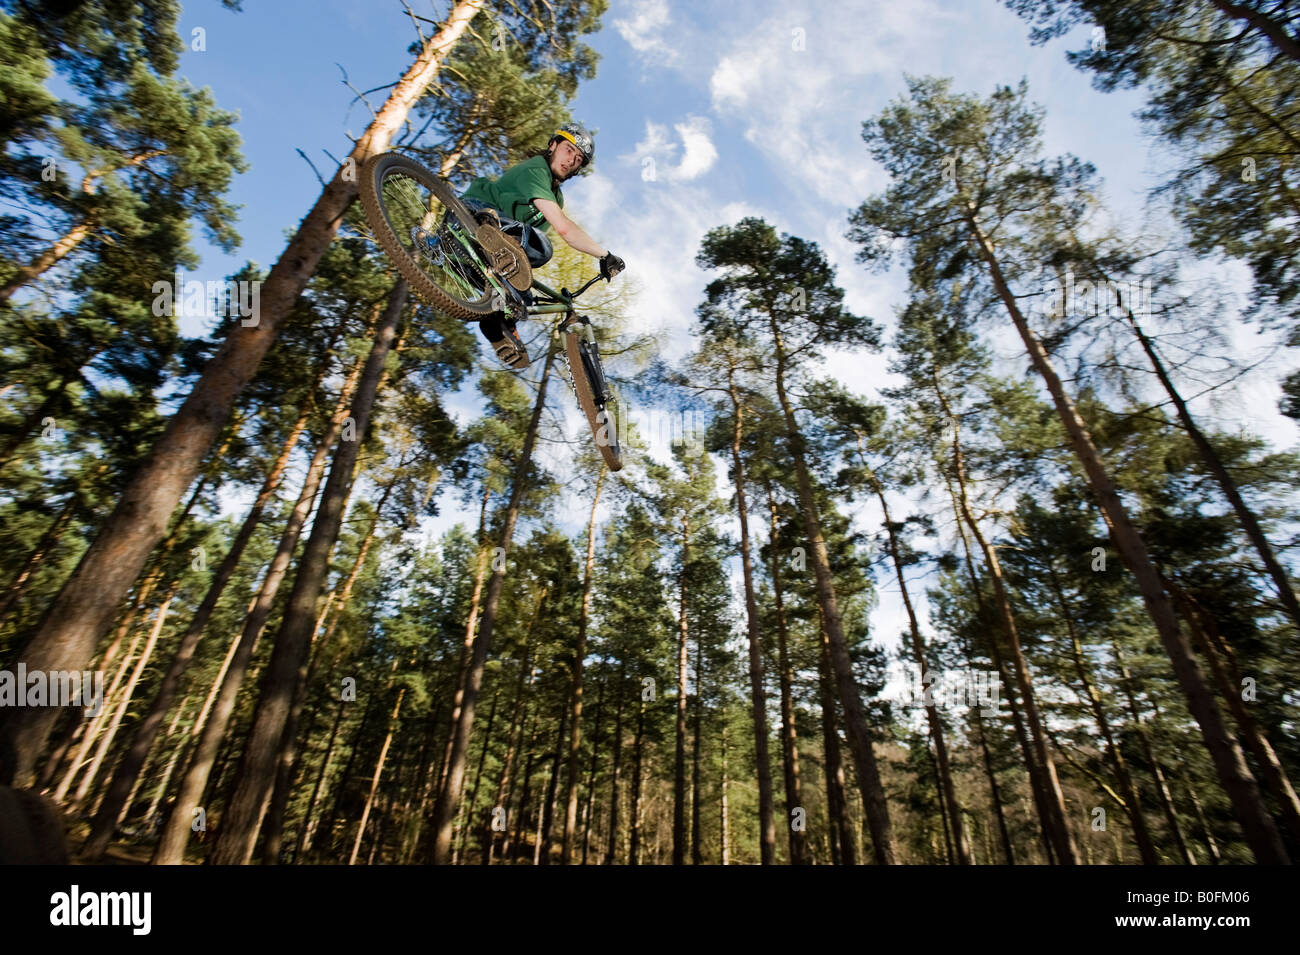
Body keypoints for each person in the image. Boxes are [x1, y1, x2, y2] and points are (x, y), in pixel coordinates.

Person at [458, 123, 624, 369]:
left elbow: (523, 253)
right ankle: (489, 229)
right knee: (542, 247)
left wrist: (519, 295)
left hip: (475, 257)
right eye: (568, 150)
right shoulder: (537, 169)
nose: (571, 161)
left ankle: (496, 324)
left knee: (520, 299)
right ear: (553, 145)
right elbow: (564, 229)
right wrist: (605, 255)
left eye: (578, 159)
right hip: (469, 215)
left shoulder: (557, 197)